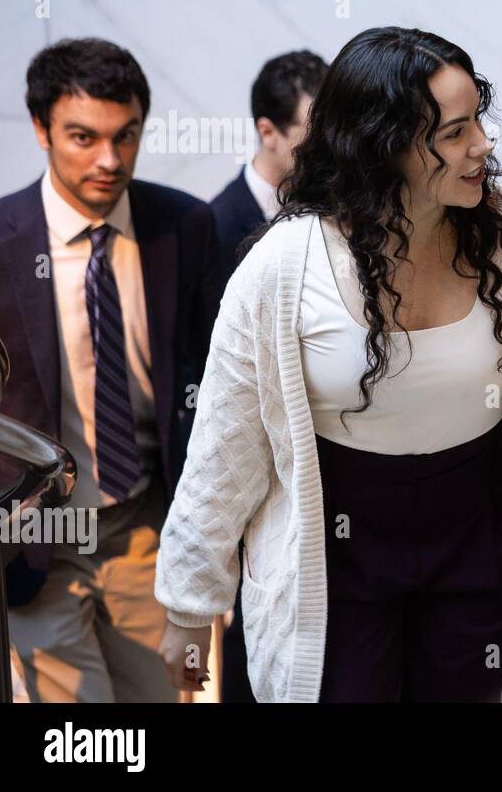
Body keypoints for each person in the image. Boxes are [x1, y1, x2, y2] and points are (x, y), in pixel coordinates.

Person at [154, 26, 502, 702]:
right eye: (454, 132)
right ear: (384, 145)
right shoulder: (283, 268)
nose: (482, 144)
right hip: (338, 543)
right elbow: (228, 443)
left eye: (478, 119)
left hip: (480, 528)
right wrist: (188, 608)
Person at [0, 37, 221, 701]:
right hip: (39, 543)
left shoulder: (184, 226)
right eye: (82, 137)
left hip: (147, 535)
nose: (108, 159)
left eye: (126, 136)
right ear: (40, 130)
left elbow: (213, 382)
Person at [209, 48, 327, 703]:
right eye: (315, 138)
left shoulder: (338, 226)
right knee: (247, 654)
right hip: (247, 480)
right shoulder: (215, 223)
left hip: (313, 489)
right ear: (268, 131)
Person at [210, 50, 327, 276]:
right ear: (267, 132)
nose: (330, 145)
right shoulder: (217, 227)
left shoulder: (341, 205)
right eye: (315, 133)